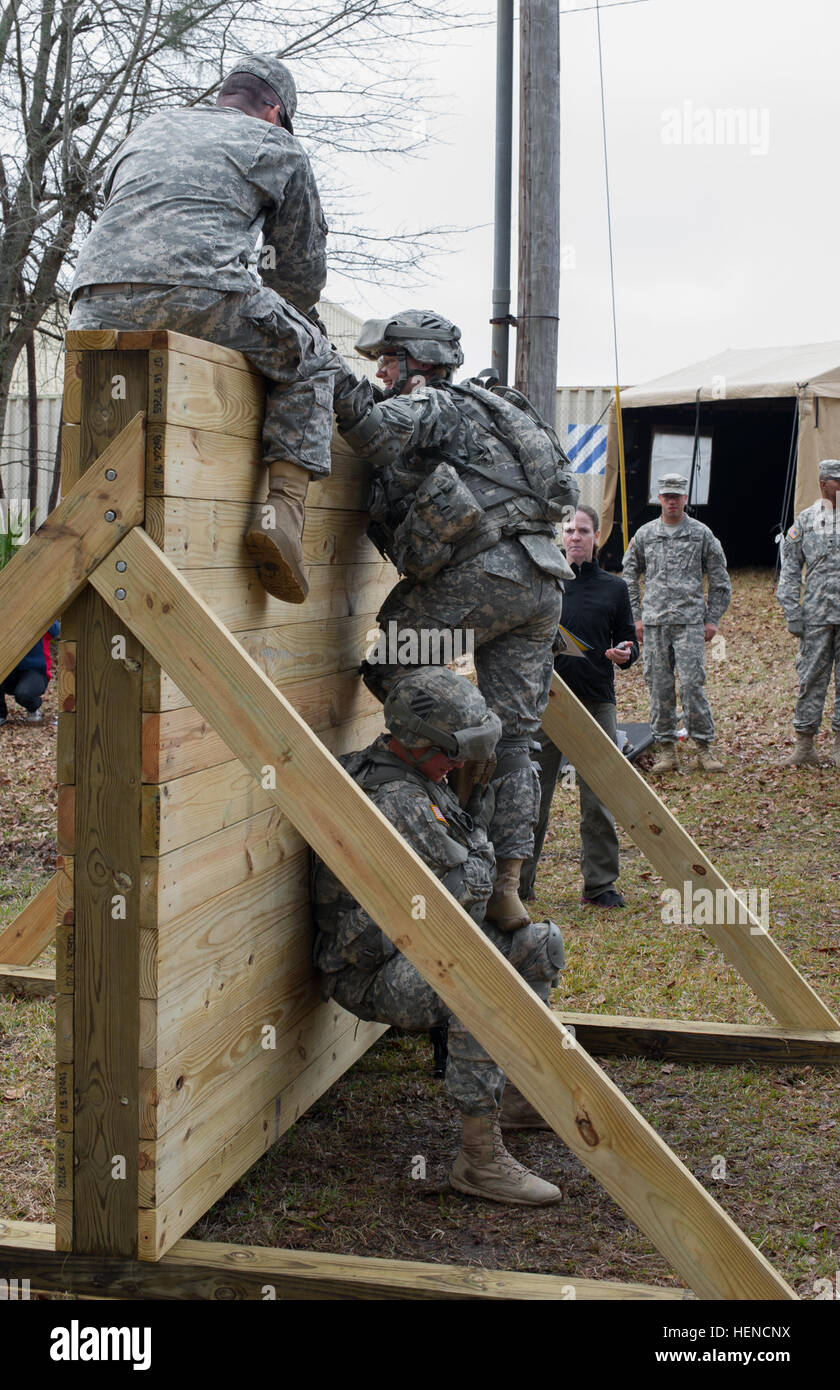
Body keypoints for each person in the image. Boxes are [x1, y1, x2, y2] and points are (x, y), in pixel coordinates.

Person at [331, 310, 579, 930]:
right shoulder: (495, 409)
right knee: (517, 740)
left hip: (486, 573)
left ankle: (438, 803)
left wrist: (321, 371)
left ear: (421, 361)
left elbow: (372, 431)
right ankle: (506, 887)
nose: (382, 372)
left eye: (389, 360)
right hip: (543, 582)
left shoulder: (434, 402)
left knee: (390, 662)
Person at [68, 54, 338, 603]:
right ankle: (281, 519)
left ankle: (70, 521)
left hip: (91, 300)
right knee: (312, 356)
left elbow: (122, 207)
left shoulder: (149, 127)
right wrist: (277, 321)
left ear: (226, 95)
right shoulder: (279, 146)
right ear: (276, 111)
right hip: (199, 295)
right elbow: (301, 273)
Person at [311, 667, 566, 1205]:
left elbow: (465, 887)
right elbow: (472, 889)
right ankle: (479, 1160)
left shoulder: (421, 779)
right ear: (414, 740)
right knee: (478, 980)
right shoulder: (398, 798)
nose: (460, 764)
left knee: (542, 943)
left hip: (413, 946)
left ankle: (516, 1093)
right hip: (369, 972)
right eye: (452, 752)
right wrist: (479, 834)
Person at [521, 506, 638, 909]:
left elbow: (628, 640)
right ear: (561, 535)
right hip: (546, 702)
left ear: (596, 536)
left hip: (596, 700)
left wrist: (627, 652)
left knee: (598, 795)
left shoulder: (614, 588)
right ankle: (519, 882)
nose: (574, 536)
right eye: (568, 529)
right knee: (534, 793)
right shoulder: (545, 581)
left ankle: (600, 885)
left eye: (583, 530)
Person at [622, 472, 731, 774]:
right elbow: (628, 577)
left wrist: (712, 619)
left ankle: (704, 748)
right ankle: (667, 750)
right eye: (667, 496)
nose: (672, 501)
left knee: (693, 686)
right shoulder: (645, 535)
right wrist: (636, 618)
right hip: (655, 625)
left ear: (685, 498)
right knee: (659, 688)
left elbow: (721, 580)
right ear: (659, 498)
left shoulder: (701, 534)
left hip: (690, 624)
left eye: (677, 496)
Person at [776, 458, 840, 766]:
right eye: (837, 481)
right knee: (811, 679)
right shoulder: (805, 520)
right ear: (823, 483)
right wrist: (793, 611)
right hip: (816, 616)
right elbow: (789, 570)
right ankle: (804, 746)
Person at [1, 622, 60, 726]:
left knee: (24, 695)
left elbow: (55, 631)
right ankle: (0, 714)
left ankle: (33, 707)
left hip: (36, 671)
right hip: (8, 669)